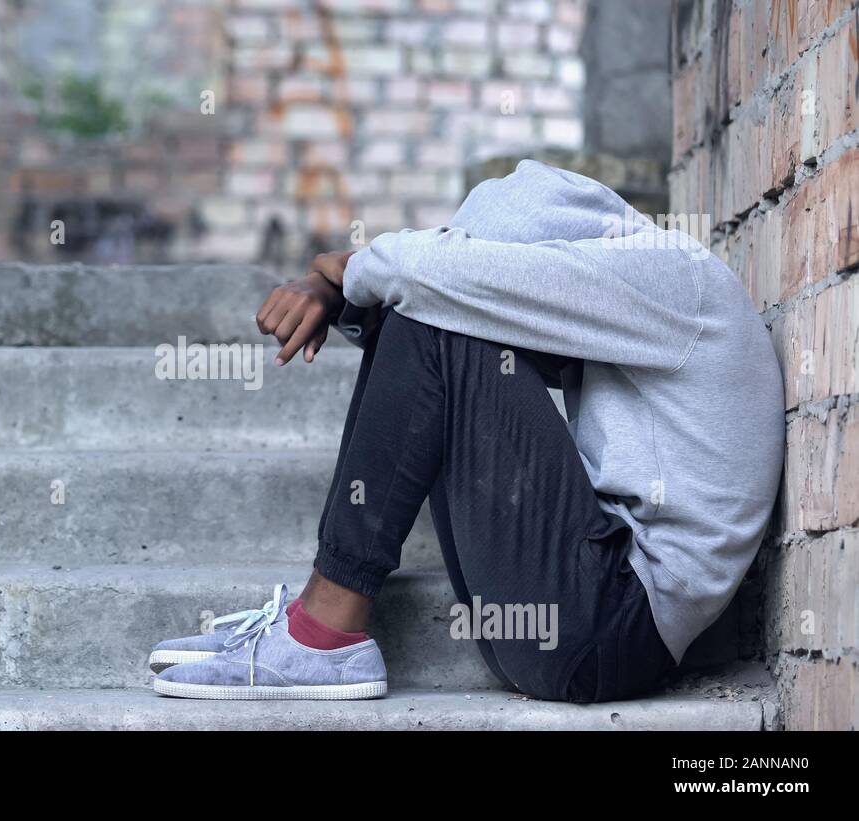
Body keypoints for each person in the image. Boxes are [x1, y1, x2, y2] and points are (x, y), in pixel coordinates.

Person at [148, 160, 784, 703]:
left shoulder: (668, 274)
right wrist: (344, 295)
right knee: (437, 310)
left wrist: (334, 274)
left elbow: (429, 276)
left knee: (440, 313)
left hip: (608, 627)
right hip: (564, 619)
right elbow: (428, 300)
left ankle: (323, 633)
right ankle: (316, 628)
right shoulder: (626, 293)